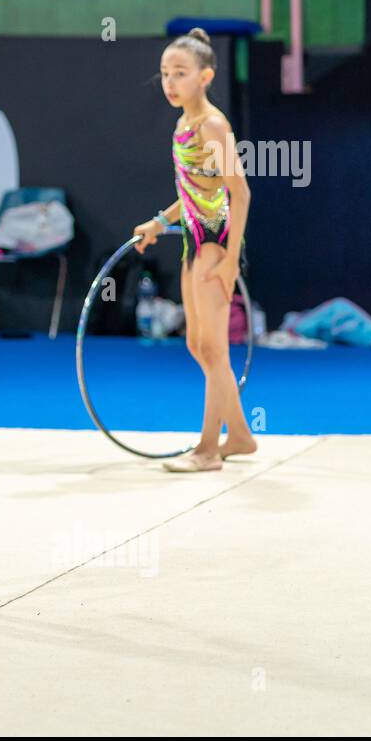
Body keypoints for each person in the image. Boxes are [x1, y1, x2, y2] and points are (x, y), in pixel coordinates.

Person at [133, 27, 256, 472]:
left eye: (180, 73)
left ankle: (208, 450)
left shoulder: (213, 126)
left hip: (216, 240)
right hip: (192, 237)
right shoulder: (183, 124)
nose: (169, 82)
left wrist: (228, 261)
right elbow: (191, 189)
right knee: (196, 343)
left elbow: (238, 193)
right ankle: (239, 435)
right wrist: (159, 222)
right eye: (165, 73)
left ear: (206, 76)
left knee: (214, 348)